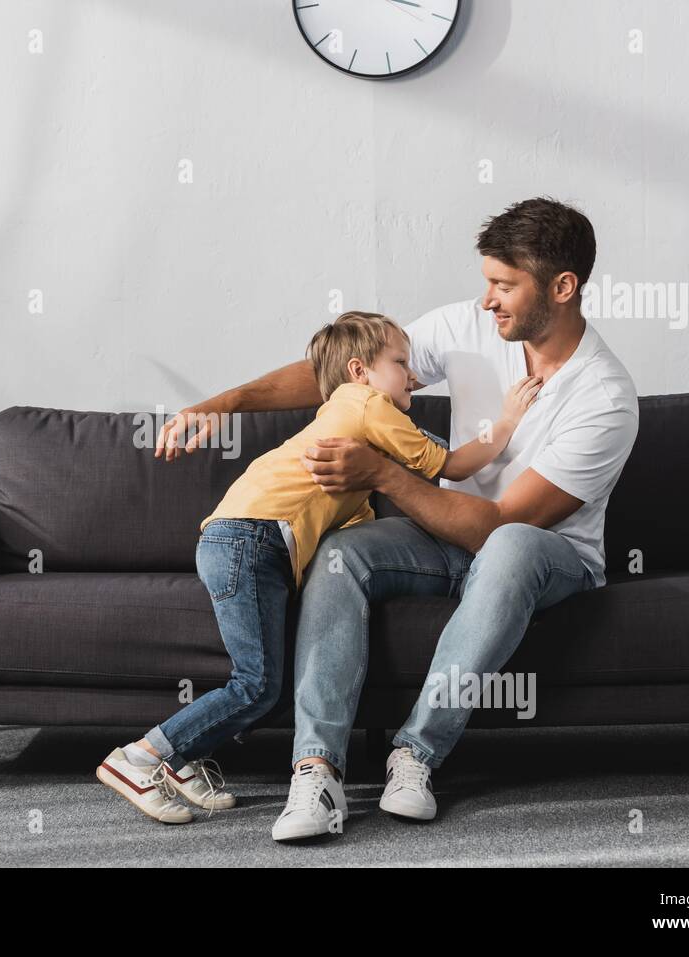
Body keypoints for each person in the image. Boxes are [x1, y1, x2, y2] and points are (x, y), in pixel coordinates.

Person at [155, 197, 640, 841]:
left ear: (562, 286)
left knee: (514, 547)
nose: (488, 299)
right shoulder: (474, 327)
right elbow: (348, 369)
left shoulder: (603, 397)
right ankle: (316, 769)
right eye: (487, 281)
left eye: (504, 284)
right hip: (445, 534)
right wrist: (226, 403)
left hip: (545, 555)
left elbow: (494, 526)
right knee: (340, 551)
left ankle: (416, 754)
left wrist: (383, 474)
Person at [96, 311, 541, 823]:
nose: (414, 376)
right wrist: (507, 420)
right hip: (252, 539)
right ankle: (143, 757)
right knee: (256, 686)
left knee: (267, 682)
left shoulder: (345, 424)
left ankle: (182, 762)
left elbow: (354, 533)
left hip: (238, 537)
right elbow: (453, 466)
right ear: (360, 371)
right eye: (401, 363)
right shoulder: (369, 404)